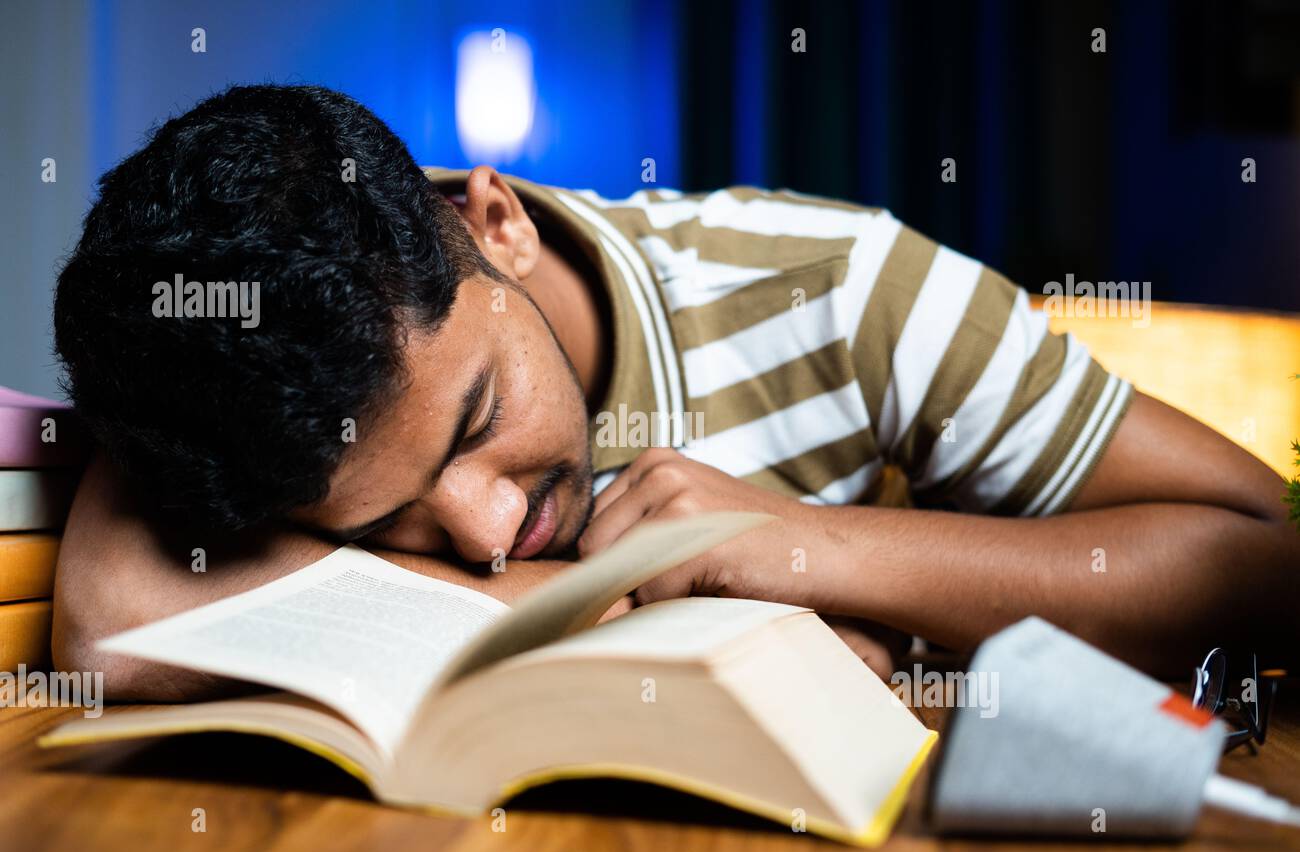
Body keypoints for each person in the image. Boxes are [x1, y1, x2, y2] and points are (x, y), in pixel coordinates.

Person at [51, 85, 1300, 700]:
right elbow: (107, 633)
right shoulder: (255, 363)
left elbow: (1269, 558)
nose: (485, 531)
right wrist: (592, 606)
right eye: (380, 527)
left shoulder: (836, 288)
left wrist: (802, 550)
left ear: (493, 218)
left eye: (480, 419)